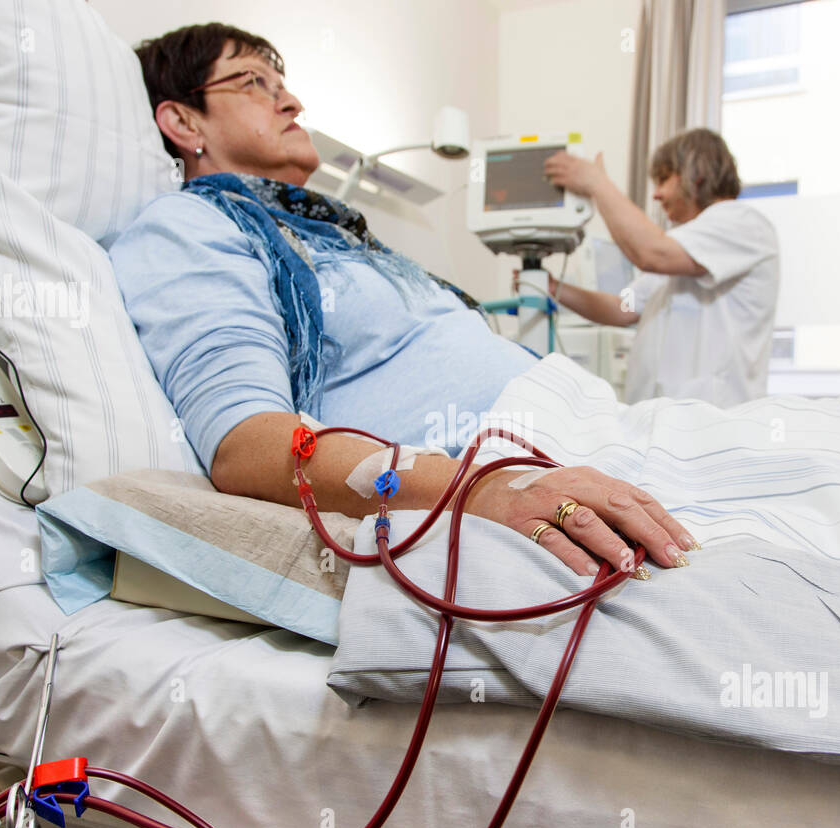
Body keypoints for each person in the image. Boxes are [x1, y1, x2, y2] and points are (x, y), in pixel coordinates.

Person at [109, 23, 698, 579]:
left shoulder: (333, 237)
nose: (290, 103)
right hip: (525, 463)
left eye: (284, 85)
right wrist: (486, 488)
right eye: (253, 83)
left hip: (599, 430)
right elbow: (245, 444)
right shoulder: (189, 226)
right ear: (184, 122)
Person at [542, 130, 779, 406]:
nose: (657, 194)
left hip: (714, 426)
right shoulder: (685, 246)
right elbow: (622, 308)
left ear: (696, 174)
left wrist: (597, 184)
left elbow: (650, 253)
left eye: (664, 179)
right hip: (666, 425)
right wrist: (555, 289)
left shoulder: (742, 223)